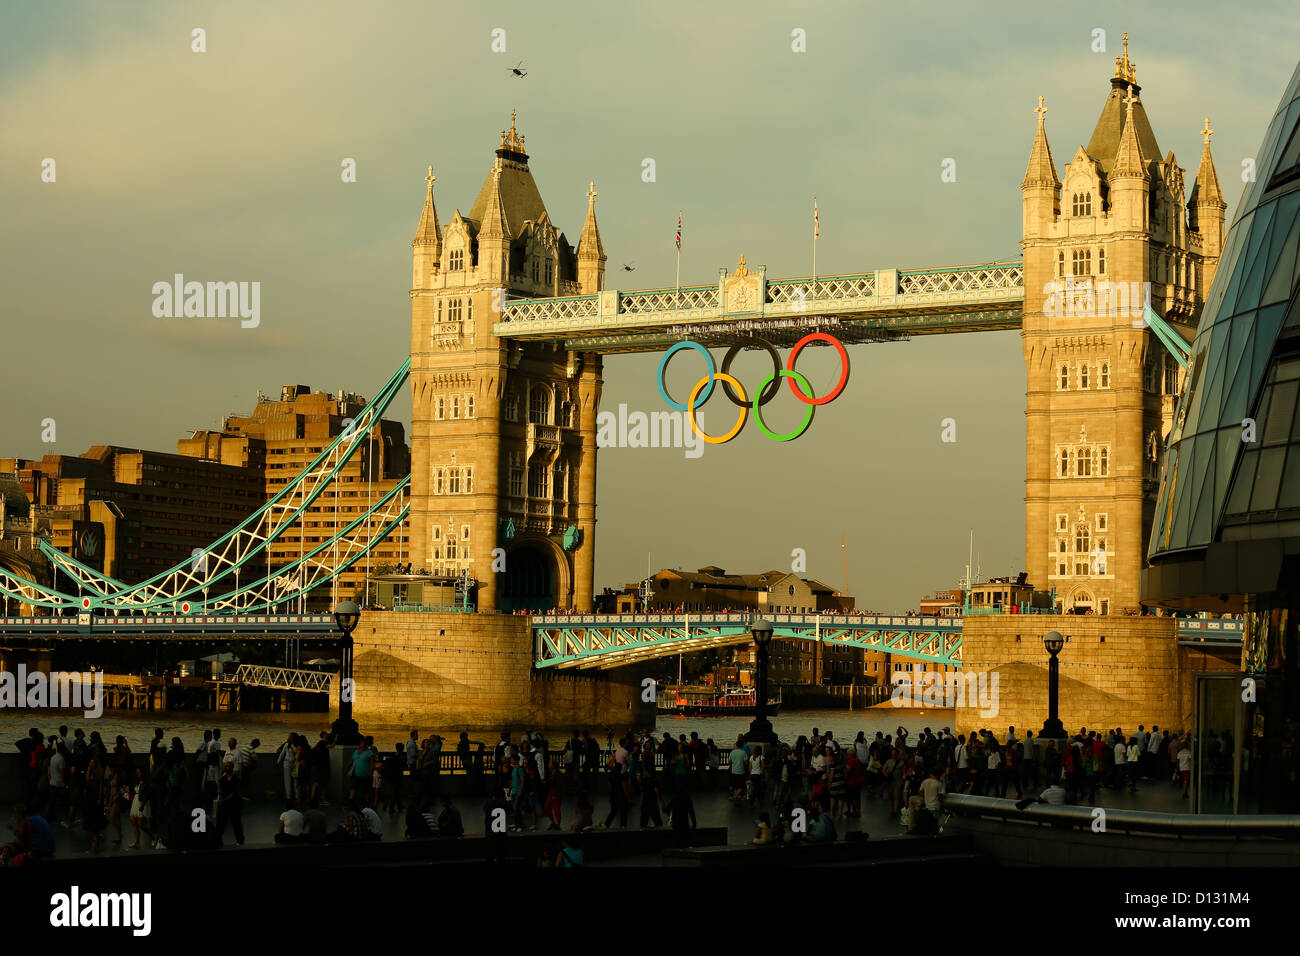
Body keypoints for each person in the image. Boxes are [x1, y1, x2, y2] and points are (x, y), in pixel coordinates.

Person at [216, 763, 244, 846]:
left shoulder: (236, 779)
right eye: (225, 767)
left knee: (236, 824)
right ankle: (218, 840)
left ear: (231, 768)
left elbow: (234, 793)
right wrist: (220, 800)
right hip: (225, 806)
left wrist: (222, 800)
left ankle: (240, 841)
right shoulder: (223, 780)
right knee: (221, 825)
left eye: (227, 766)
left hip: (233, 805)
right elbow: (221, 792)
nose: (226, 768)